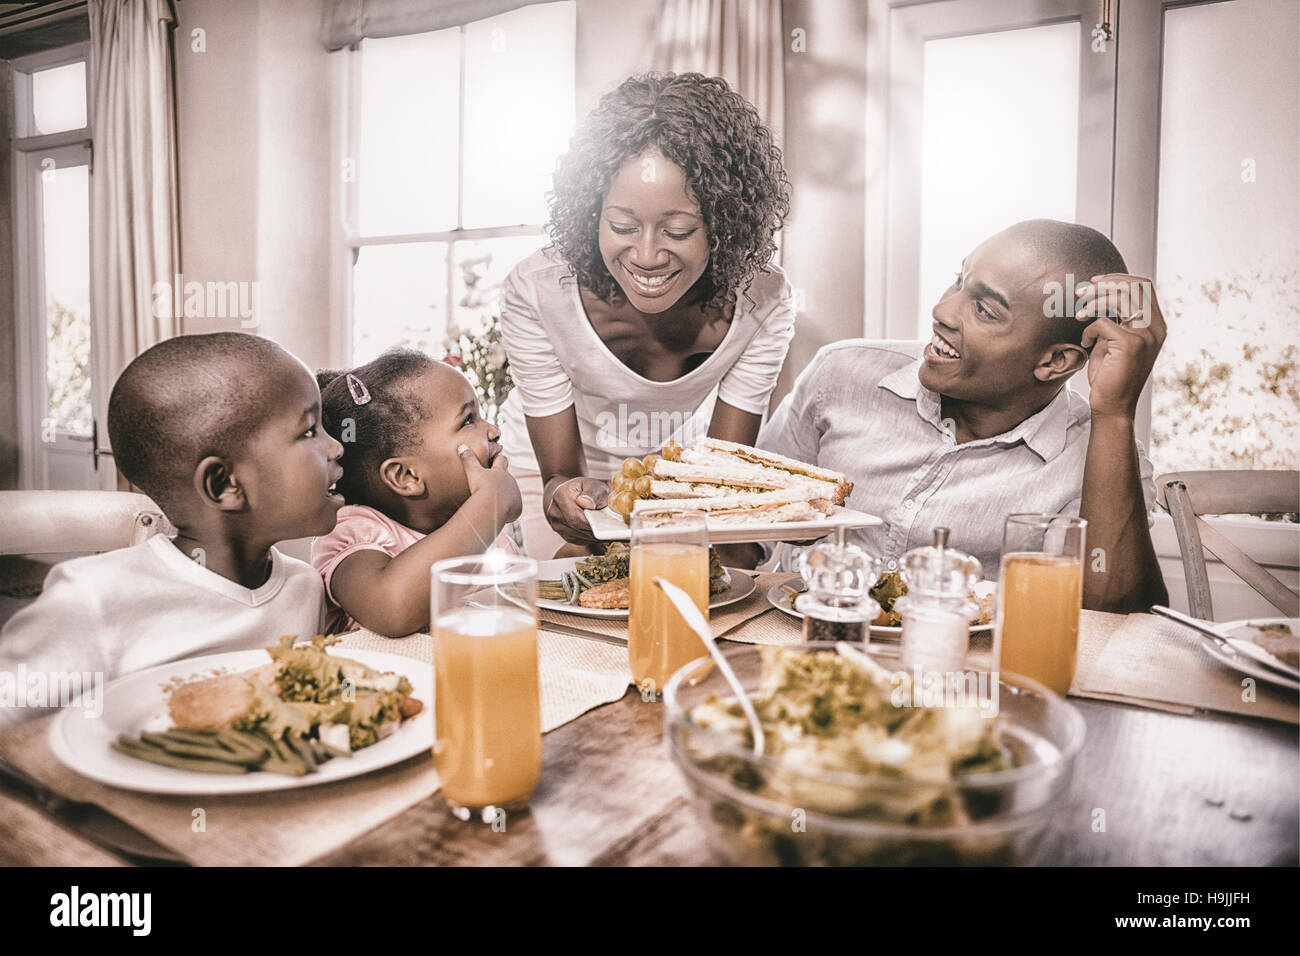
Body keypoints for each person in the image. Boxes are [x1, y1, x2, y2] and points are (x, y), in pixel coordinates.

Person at [742, 219, 1169, 613]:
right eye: (959, 282)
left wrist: (1115, 413)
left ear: (1056, 361)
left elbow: (1115, 617)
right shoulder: (840, 375)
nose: (943, 311)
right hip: (801, 654)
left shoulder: (1100, 458)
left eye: (984, 310)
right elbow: (742, 533)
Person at [498, 72, 796, 559]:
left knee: (718, 575)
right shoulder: (537, 291)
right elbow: (560, 478)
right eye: (622, 226)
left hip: (670, 478)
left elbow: (717, 478)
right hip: (542, 473)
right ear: (591, 212)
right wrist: (563, 498)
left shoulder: (765, 301)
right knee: (571, 578)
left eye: (678, 230)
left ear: (724, 225)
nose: (647, 255)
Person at [0, 332, 340, 729]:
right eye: (310, 430)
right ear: (224, 484)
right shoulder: (92, 600)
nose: (336, 447)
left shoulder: (304, 586)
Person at [311, 350, 523, 637]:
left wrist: (578, 551)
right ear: (406, 477)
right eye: (468, 420)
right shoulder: (355, 533)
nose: (494, 430)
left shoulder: (478, 527)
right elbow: (392, 610)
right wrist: (490, 506)